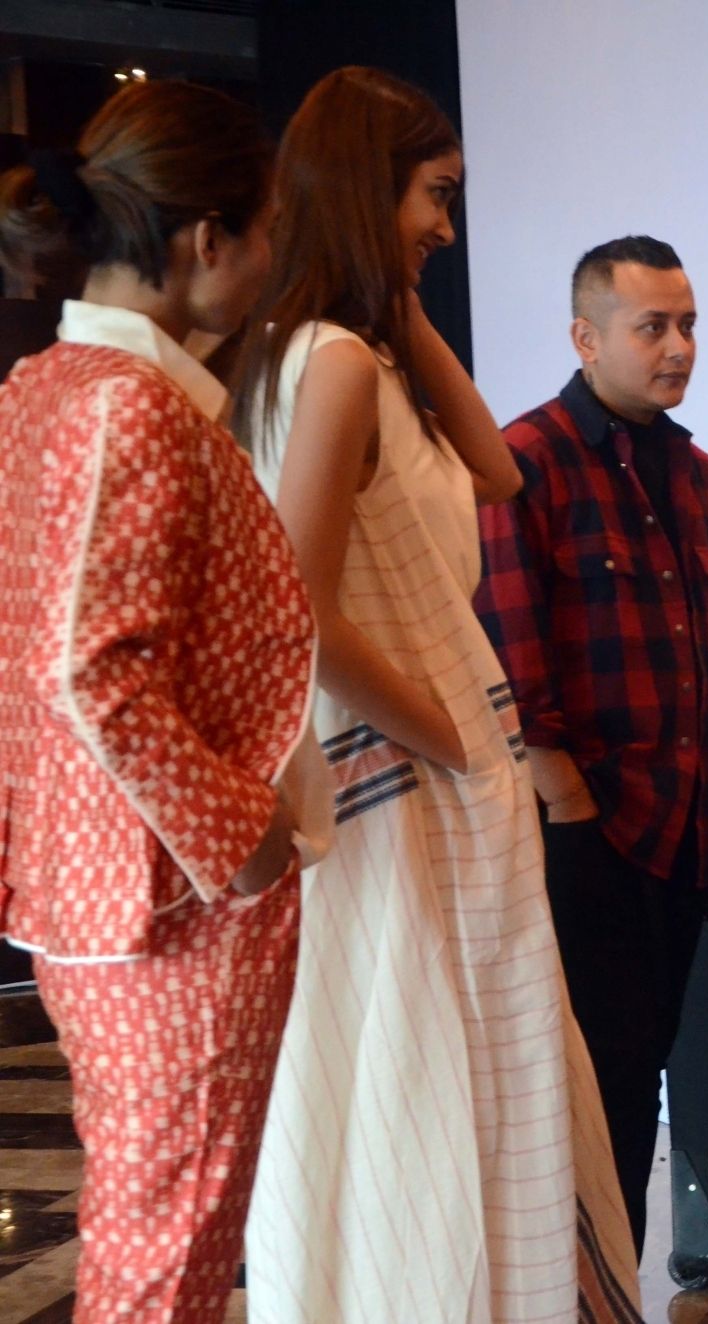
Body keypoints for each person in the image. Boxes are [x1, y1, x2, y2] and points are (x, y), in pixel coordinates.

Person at [237, 67, 637, 1322]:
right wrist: (452, 734)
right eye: (432, 197)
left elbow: (495, 474)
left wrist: (394, 289)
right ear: (369, 188)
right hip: (400, 778)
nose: (448, 229)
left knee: (412, 1089)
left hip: (403, 774)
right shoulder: (335, 365)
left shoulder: (337, 352)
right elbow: (290, 610)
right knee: (430, 1091)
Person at [0, 81, 319, 1323]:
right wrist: (236, 837)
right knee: (171, 1240)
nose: (274, 262)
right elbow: (93, 669)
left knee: (152, 1228)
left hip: (98, 888)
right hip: (167, 903)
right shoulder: (128, 405)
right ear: (207, 241)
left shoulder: (44, 390)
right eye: (272, 231)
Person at [475, 234, 708, 1250]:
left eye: (686, 324)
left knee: (642, 1076)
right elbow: (512, 661)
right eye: (653, 326)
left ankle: (612, 1289)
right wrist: (571, 815)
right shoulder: (522, 460)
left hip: (686, 821)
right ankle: (577, 1291)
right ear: (585, 337)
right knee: (584, 1087)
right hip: (585, 833)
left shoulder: (700, 477)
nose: (678, 346)